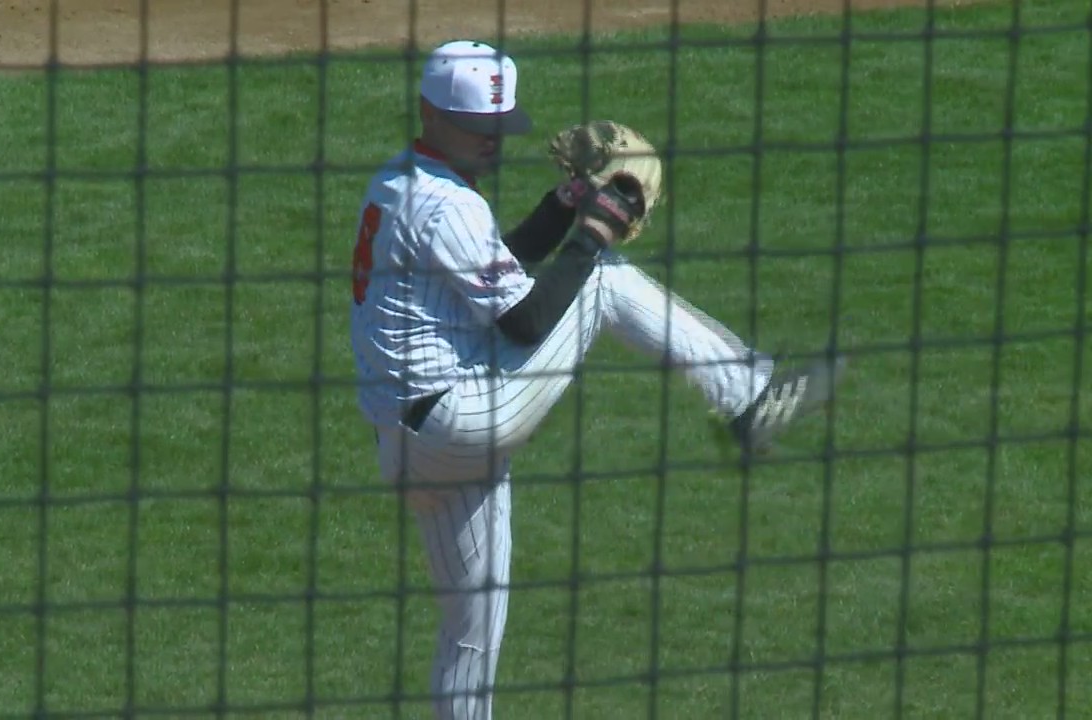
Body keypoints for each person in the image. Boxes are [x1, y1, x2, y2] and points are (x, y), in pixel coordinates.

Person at [347, 39, 844, 720]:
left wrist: (562, 206)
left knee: (471, 630)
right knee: (602, 279)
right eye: (477, 126)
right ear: (432, 112)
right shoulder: (449, 206)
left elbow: (494, 273)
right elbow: (527, 322)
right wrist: (592, 233)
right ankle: (749, 397)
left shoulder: (400, 181)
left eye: (499, 126)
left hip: (411, 447)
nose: (493, 139)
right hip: (460, 422)